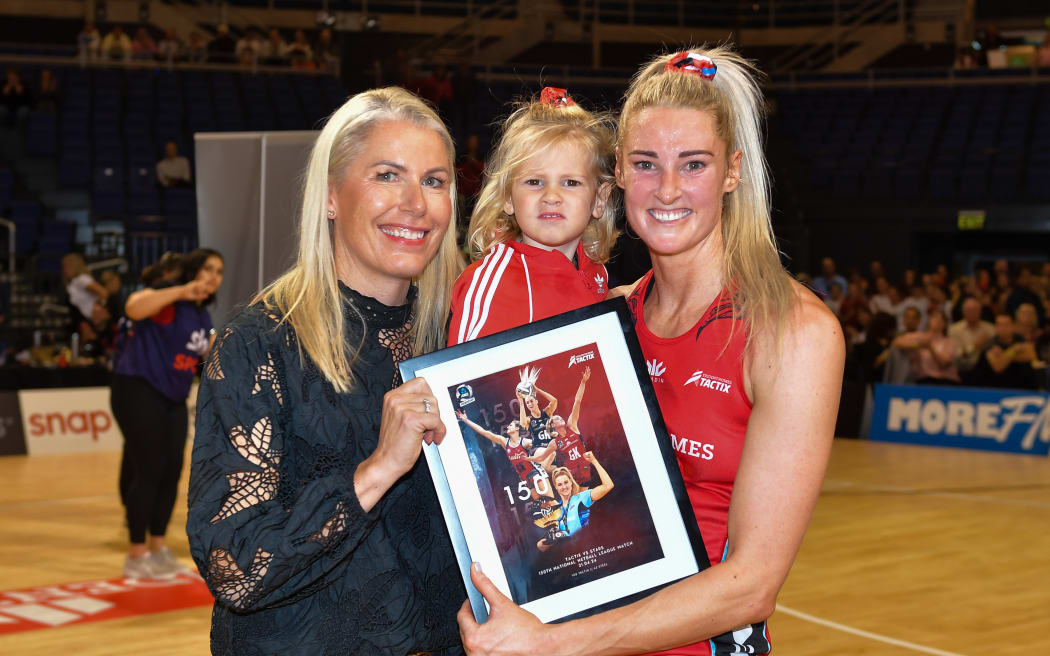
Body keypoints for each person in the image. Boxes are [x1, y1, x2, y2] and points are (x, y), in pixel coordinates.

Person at [458, 46, 843, 656]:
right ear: (617, 176)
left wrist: (558, 643)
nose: (666, 189)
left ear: (733, 170)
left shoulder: (794, 331)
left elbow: (752, 587)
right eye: (645, 163)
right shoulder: (603, 316)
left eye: (693, 164)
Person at [186, 87, 464, 655]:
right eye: (388, 175)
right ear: (332, 195)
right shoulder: (258, 343)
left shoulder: (461, 335)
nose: (416, 203)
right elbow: (237, 567)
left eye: (435, 181)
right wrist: (377, 470)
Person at [448, 87, 616, 344]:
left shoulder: (596, 271)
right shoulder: (491, 284)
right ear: (507, 197)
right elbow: (460, 377)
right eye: (535, 181)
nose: (551, 196)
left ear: (599, 199)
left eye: (570, 183)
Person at [112, 248, 223, 579]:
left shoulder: (203, 316)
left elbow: (213, 354)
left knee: (171, 470)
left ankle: (157, 547)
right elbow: (134, 307)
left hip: (173, 397)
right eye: (207, 269)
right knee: (148, 469)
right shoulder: (168, 301)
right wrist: (181, 290)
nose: (213, 277)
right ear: (192, 271)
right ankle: (136, 554)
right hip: (137, 389)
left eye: (219, 272)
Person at [536, 452, 613, 552]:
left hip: (590, 549)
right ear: (556, 487)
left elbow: (608, 485)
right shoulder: (555, 510)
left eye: (566, 482)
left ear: (571, 482)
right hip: (571, 555)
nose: (564, 487)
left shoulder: (582, 497)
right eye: (559, 484)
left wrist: (594, 461)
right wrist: (549, 540)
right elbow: (541, 547)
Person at [891, 307, 959, 385]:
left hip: (945, 382)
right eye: (934, 317)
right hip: (924, 380)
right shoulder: (921, 337)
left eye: (940, 319)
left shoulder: (949, 342)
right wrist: (917, 345)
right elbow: (897, 342)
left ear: (944, 323)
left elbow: (944, 363)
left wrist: (930, 348)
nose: (937, 321)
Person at [971, 312, 1039, 389]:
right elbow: (998, 367)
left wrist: (1004, 356)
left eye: (1006, 324)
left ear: (1013, 326)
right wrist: (1014, 349)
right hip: (999, 387)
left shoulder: (1020, 339)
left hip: (1023, 386)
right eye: (999, 325)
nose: (1003, 328)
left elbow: (1031, 355)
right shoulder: (991, 343)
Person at [949, 297, 994, 381]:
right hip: (963, 370)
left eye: (975, 310)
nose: (972, 313)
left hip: (987, 370)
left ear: (980, 311)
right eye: (969, 310)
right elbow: (956, 354)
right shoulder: (954, 329)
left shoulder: (990, 329)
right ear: (963, 312)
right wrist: (975, 346)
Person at [62, 253, 109, 330]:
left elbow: (103, 292)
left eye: (68, 266)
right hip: (89, 322)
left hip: (98, 321)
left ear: (75, 266)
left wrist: (98, 308)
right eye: (64, 266)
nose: (65, 270)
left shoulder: (82, 279)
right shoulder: (72, 283)